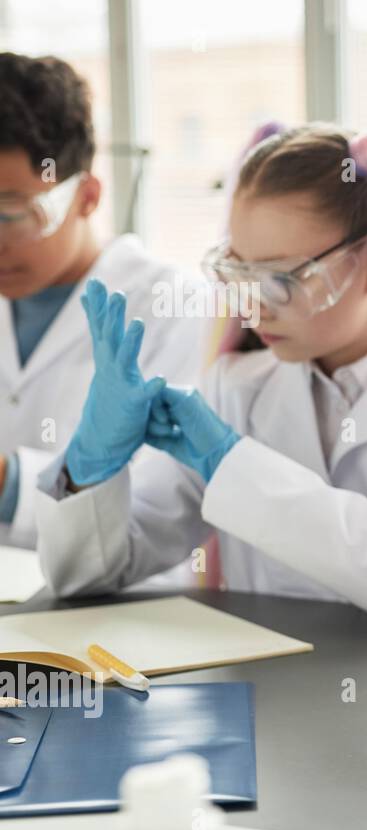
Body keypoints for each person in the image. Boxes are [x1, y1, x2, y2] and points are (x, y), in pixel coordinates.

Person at [36, 124, 367, 631]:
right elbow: (87, 576)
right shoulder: (235, 389)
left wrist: (236, 465)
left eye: (281, 279)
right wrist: (89, 468)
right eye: (239, 274)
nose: (252, 305)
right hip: (269, 702)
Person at [0, 52, 201, 550]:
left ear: (87, 196)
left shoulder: (172, 309)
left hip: (117, 615)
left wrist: (9, 482)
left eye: (10, 214)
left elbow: (160, 509)